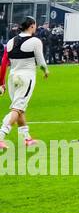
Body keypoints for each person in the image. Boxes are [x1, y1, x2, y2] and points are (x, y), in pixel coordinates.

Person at [0, 17, 49, 151]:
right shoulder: (35, 41)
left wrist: (1, 83)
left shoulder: (10, 41)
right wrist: (46, 71)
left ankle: (26, 138)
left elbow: (4, 62)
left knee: (20, 107)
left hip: (12, 77)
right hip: (26, 77)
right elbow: (40, 61)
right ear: (32, 26)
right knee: (17, 108)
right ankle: (1, 135)